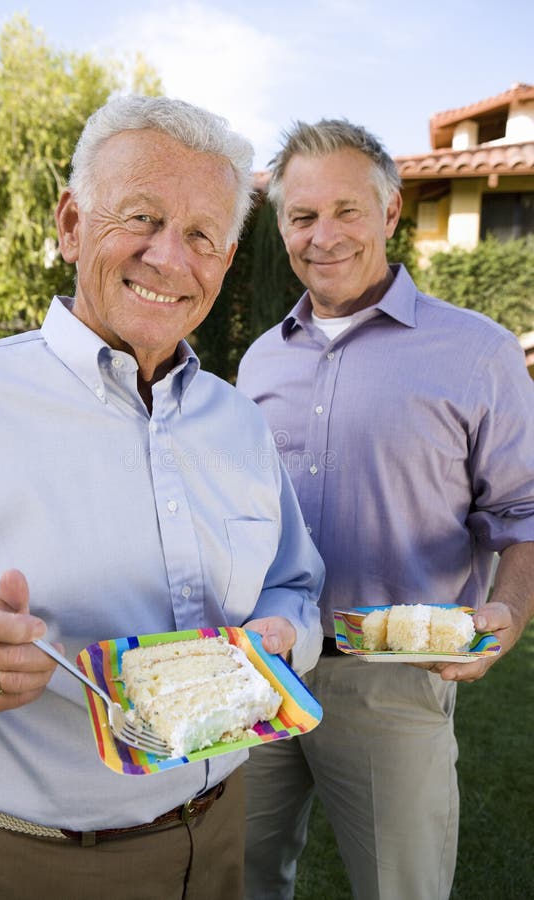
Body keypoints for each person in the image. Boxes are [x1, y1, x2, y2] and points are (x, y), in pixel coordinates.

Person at [0, 96, 325, 900]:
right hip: (20, 861)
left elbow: (295, 580)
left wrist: (288, 634)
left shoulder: (241, 423)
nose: (169, 259)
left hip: (220, 833)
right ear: (72, 223)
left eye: (203, 237)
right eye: (141, 217)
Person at [237, 118, 534, 900]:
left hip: (394, 680)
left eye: (347, 211)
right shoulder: (260, 360)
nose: (323, 235)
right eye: (302, 217)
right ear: (281, 227)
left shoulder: (478, 352)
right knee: (237, 880)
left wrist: (506, 612)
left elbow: (524, 513)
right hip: (261, 665)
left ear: (392, 212)